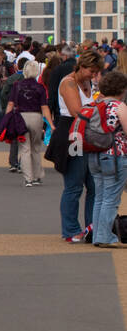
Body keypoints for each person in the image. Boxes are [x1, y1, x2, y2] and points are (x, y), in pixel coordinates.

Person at [49, 49, 103, 242]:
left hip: (87, 135)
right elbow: (77, 111)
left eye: (97, 71)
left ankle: (92, 226)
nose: (94, 75)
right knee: (74, 185)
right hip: (72, 135)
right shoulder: (69, 82)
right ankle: (71, 230)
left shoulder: (87, 81)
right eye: (92, 71)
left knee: (94, 185)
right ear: (82, 67)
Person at [83, 70, 127, 247]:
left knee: (100, 196)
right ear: (121, 89)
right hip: (115, 155)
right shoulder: (119, 106)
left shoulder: (94, 104)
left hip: (94, 154)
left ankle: (98, 235)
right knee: (111, 198)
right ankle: (104, 236)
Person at [6, 61, 53, 187]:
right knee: (36, 148)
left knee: (25, 148)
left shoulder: (17, 85)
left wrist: (6, 119)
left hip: (21, 117)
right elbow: (45, 107)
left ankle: (28, 178)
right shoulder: (40, 87)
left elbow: (11, 104)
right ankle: (37, 175)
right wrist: (51, 123)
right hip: (36, 117)